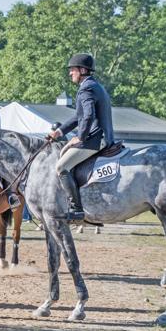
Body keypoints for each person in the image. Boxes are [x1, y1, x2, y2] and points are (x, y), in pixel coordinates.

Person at [48, 53, 114, 221]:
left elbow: (88, 116)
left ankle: (76, 208)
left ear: (83, 70)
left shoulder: (86, 88)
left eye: (73, 70)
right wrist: (60, 132)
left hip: (94, 139)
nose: (70, 73)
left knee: (61, 167)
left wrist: (80, 137)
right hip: (101, 136)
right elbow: (78, 116)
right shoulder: (95, 85)